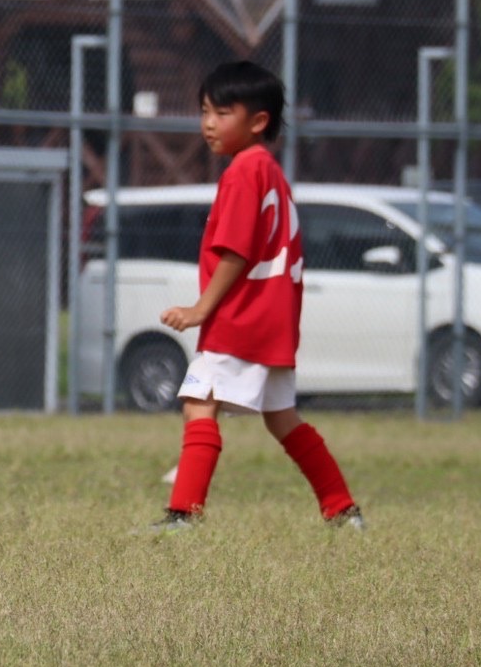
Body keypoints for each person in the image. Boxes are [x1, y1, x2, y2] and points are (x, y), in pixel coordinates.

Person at [147, 60, 365, 534]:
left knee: (199, 402)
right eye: (204, 110)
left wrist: (202, 308)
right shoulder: (269, 171)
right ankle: (342, 509)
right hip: (275, 318)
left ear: (258, 121)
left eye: (223, 112)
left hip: (242, 316)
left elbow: (237, 250)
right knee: (282, 418)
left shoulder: (244, 172)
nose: (208, 123)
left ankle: (183, 515)